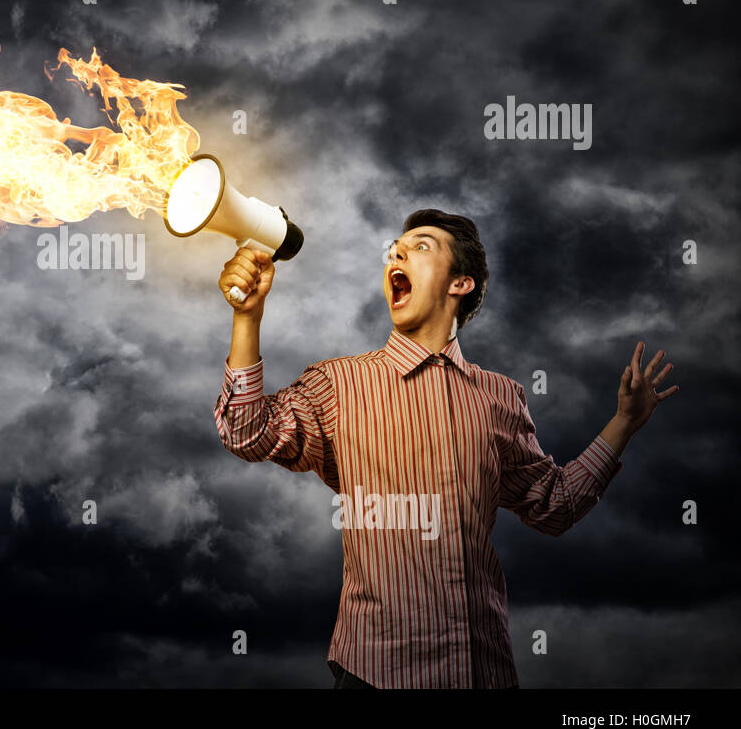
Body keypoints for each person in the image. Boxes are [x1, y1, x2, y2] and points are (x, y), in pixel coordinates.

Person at [214, 209, 679, 688]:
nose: (396, 251)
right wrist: (247, 317)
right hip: (375, 675)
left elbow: (555, 507)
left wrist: (624, 422)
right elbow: (246, 433)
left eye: (421, 246)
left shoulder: (500, 397)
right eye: (395, 247)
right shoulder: (338, 385)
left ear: (461, 283)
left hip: (484, 674)